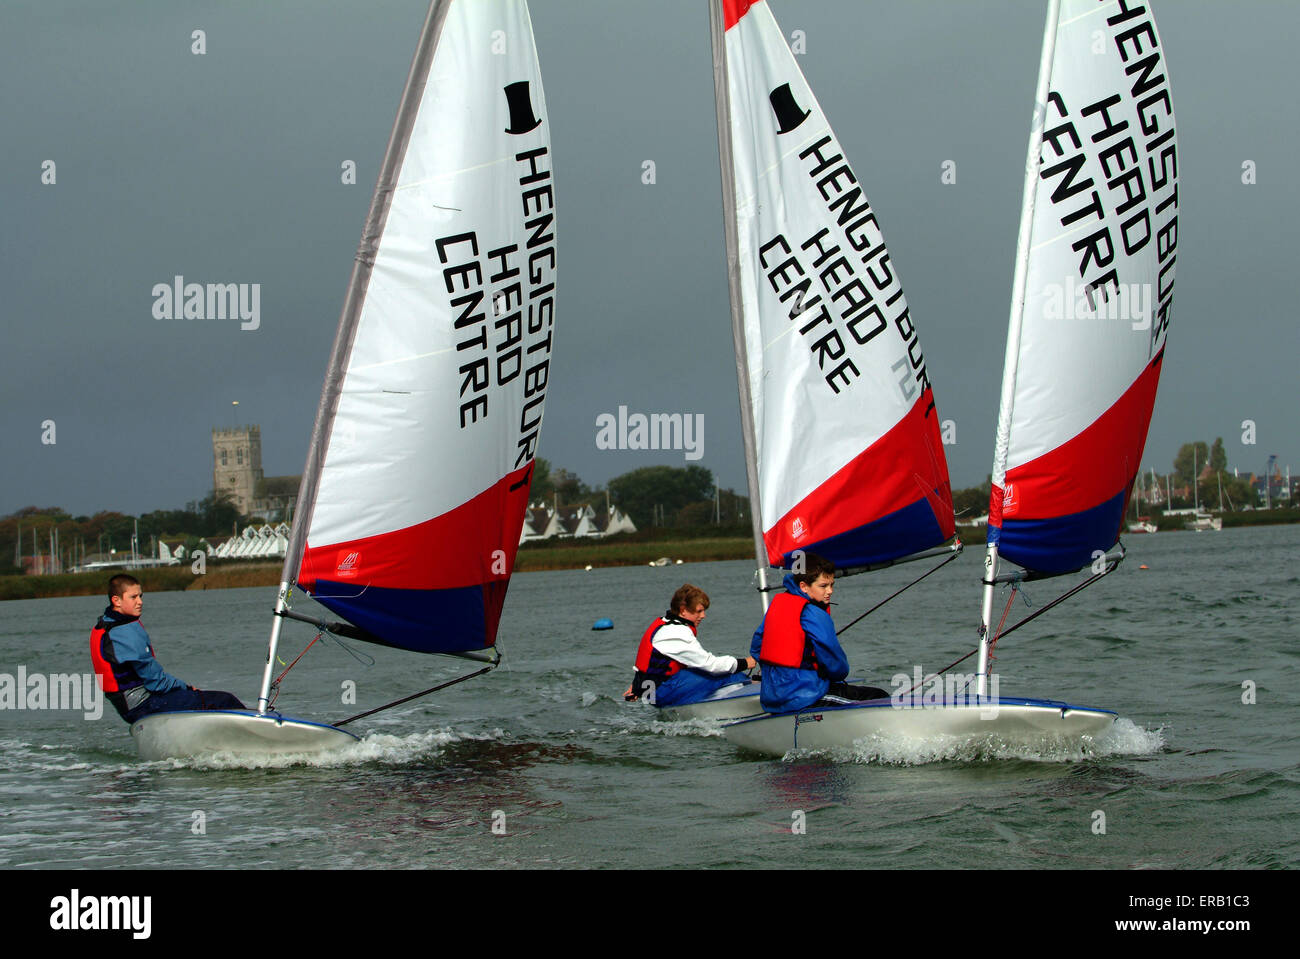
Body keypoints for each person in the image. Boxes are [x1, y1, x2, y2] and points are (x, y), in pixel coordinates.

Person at [90, 574, 246, 724]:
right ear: (116, 600)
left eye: (140, 596)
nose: (140, 602)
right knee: (224, 700)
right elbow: (156, 681)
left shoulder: (106, 624)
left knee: (199, 701)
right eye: (133, 597)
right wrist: (187, 688)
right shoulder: (124, 632)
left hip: (129, 707)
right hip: (143, 705)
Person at [750, 553, 889, 714]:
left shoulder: (778, 605)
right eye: (823, 586)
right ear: (804, 586)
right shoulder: (813, 613)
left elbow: (756, 648)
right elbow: (837, 667)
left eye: (832, 585)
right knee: (880, 696)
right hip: (807, 698)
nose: (830, 591)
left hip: (772, 699)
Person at [627, 584, 755, 707]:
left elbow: (648, 665)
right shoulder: (676, 632)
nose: (703, 616)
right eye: (699, 611)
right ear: (683, 611)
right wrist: (745, 663)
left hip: (651, 689)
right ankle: (749, 701)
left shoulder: (665, 623)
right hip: (658, 693)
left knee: (718, 674)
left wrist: (638, 686)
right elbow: (711, 665)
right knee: (731, 676)